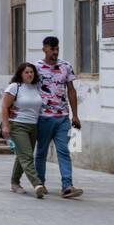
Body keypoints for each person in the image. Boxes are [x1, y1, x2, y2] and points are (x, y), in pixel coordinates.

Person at [35, 37, 84, 199]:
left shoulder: (65, 66)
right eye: (52, 49)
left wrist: (75, 115)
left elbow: (71, 90)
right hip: (43, 118)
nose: (55, 52)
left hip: (62, 117)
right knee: (41, 152)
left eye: (57, 49)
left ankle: (67, 186)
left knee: (64, 151)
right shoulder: (36, 68)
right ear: (45, 49)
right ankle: (40, 183)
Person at [1, 62, 47, 198]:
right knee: (27, 156)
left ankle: (15, 182)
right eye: (26, 72)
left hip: (33, 126)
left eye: (32, 72)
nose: (29, 74)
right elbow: (4, 107)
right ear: (20, 74)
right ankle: (37, 184)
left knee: (22, 155)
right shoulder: (15, 87)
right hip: (17, 125)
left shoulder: (35, 88)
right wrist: (5, 126)